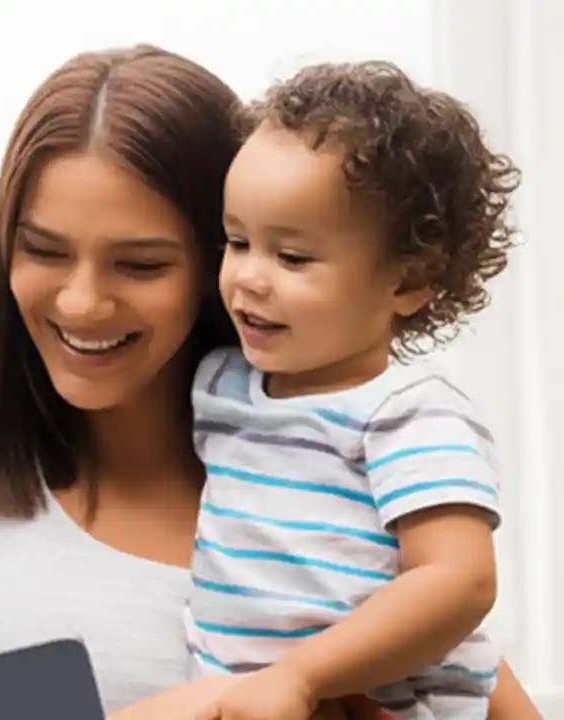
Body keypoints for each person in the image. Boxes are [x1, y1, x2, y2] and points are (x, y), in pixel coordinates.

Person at [0, 45, 540, 719]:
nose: (80, 303)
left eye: (140, 265)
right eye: (42, 250)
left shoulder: (325, 480)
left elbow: (459, 621)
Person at [183, 60, 522, 720]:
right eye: (237, 241)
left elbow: (460, 580)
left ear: (409, 281)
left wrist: (302, 677)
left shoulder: (411, 412)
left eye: (292, 257)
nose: (249, 278)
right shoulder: (220, 385)